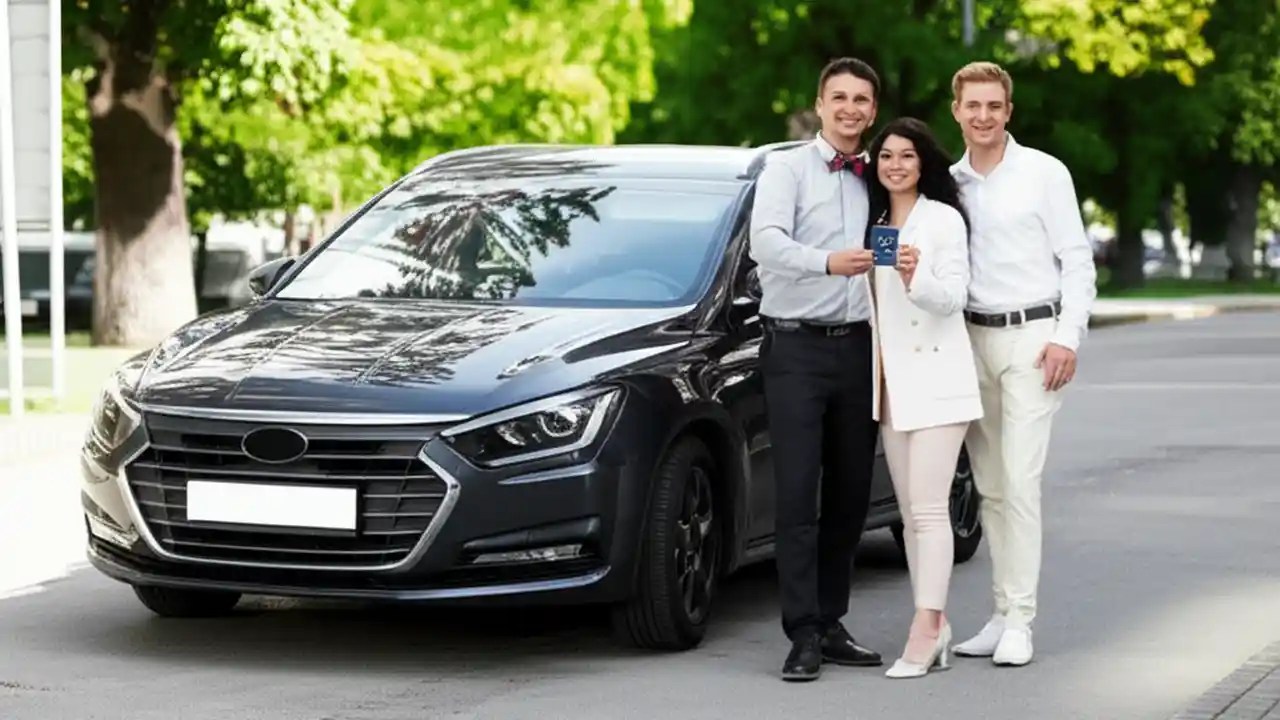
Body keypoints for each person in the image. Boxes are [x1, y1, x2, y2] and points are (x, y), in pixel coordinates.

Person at [946, 61, 1097, 666]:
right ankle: (1001, 611)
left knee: (1021, 481)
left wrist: (1069, 337)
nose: (983, 116)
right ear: (956, 110)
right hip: (971, 340)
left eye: (993, 106)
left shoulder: (1043, 173)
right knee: (991, 488)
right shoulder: (949, 181)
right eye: (972, 106)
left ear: (1009, 111)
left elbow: (1078, 261)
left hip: (1034, 339)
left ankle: (1022, 623)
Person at [748, 56, 884, 682]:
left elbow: (893, 244)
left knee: (853, 492)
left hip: (860, 349)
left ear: (873, 110)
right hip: (796, 350)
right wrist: (828, 263)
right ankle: (800, 632)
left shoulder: (878, 173)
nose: (851, 108)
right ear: (821, 103)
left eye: (861, 99)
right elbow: (766, 243)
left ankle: (831, 622)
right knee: (799, 493)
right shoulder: (786, 169)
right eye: (840, 97)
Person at [863, 117, 983, 679]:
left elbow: (952, 298)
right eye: (886, 156)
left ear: (923, 163)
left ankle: (927, 626)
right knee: (912, 516)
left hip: (938, 383)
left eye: (906, 156)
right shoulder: (877, 222)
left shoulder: (943, 220)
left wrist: (917, 280)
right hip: (892, 390)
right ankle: (935, 622)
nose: (895, 165)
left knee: (931, 511)